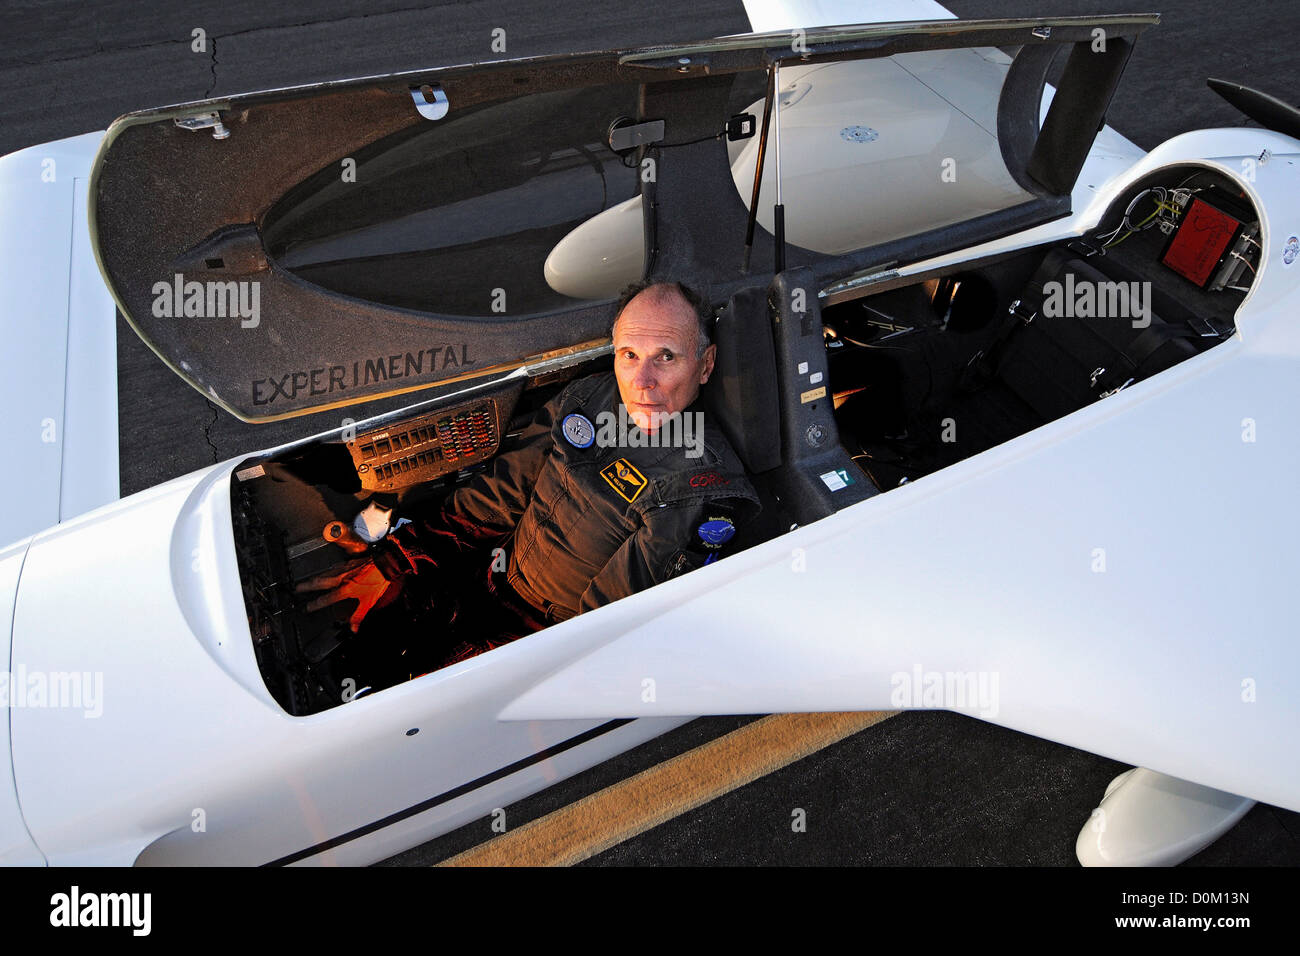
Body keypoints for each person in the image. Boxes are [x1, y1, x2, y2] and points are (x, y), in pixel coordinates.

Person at [298, 279, 760, 662]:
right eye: (629, 355)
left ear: (706, 365)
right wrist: (401, 557)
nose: (642, 383)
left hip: (542, 638)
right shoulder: (588, 398)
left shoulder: (702, 492)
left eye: (666, 357)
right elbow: (500, 494)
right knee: (354, 639)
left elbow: (599, 634)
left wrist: (482, 664)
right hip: (487, 572)